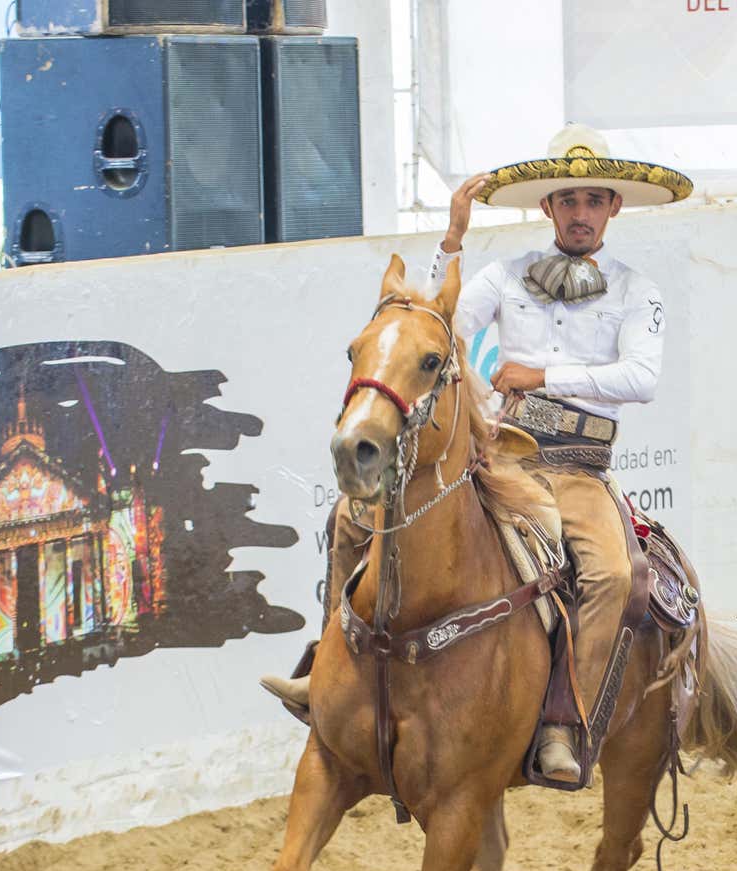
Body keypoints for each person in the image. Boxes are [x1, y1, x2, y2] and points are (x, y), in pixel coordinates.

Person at [263, 125, 692, 782]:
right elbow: (440, 327)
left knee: (612, 574)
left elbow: (642, 377)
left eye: (592, 201)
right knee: (350, 518)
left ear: (613, 207)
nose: (580, 213)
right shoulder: (505, 275)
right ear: (547, 207)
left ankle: (562, 723)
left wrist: (542, 375)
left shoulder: (639, 291)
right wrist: (452, 239)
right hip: (500, 452)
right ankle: (327, 668)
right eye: (568, 200)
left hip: (579, 465)